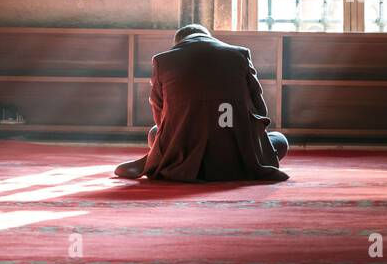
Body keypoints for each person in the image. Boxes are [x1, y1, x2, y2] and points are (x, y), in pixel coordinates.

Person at [114, 24, 288, 182]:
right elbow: (259, 107)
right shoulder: (240, 54)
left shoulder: (163, 60)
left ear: (178, 42)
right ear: (208, 37)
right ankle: (238, 162)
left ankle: (159, 159)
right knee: (279, 140)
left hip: (184, 146)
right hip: (235, 151)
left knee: (154, 133)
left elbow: (159, 112)